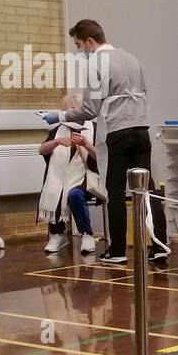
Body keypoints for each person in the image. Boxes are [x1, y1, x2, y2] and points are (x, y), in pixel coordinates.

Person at [48, 20, 166, 265]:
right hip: (141, 130)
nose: (81, 52)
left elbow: (90, 110)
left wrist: (60, 116)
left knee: (115, 191)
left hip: (118, 132)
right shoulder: (133, 59)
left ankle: (118, 250)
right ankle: (160, 245)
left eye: (80, 46)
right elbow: (145, 92)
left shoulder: (95, 64)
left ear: (90, 41)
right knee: (146, 189)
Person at [38, 93, 104, 255]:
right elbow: (41, 150)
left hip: (87, 180)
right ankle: (57, 234)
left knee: (74, 194)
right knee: (54, 189)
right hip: (61, 178)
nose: (73, 113)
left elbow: (102, 159)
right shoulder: (57, 131)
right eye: (70, 109)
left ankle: (87, 234)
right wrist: (56, 142)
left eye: (77, 109)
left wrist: (86, 144)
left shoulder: (95, 129)